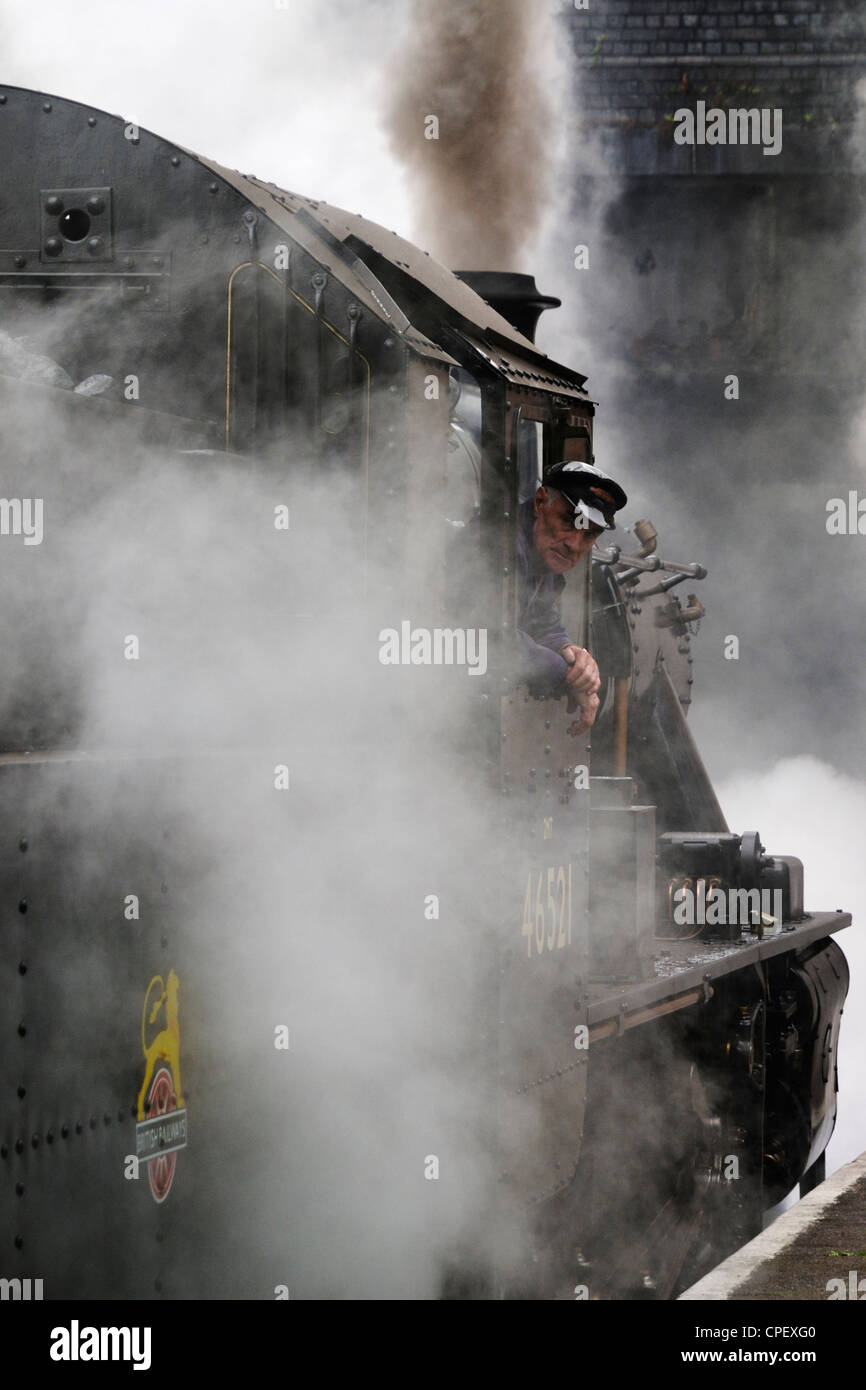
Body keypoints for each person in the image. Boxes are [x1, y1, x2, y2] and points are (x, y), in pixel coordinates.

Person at [517, 461, 627, 735]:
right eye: (568, 521)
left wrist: (576, 658)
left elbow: (543, 621)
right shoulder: (498, 542)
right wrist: (567, 676)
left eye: (589, 534)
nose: (574, 545)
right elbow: (486, 637)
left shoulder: (542, 555)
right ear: (540, 501)